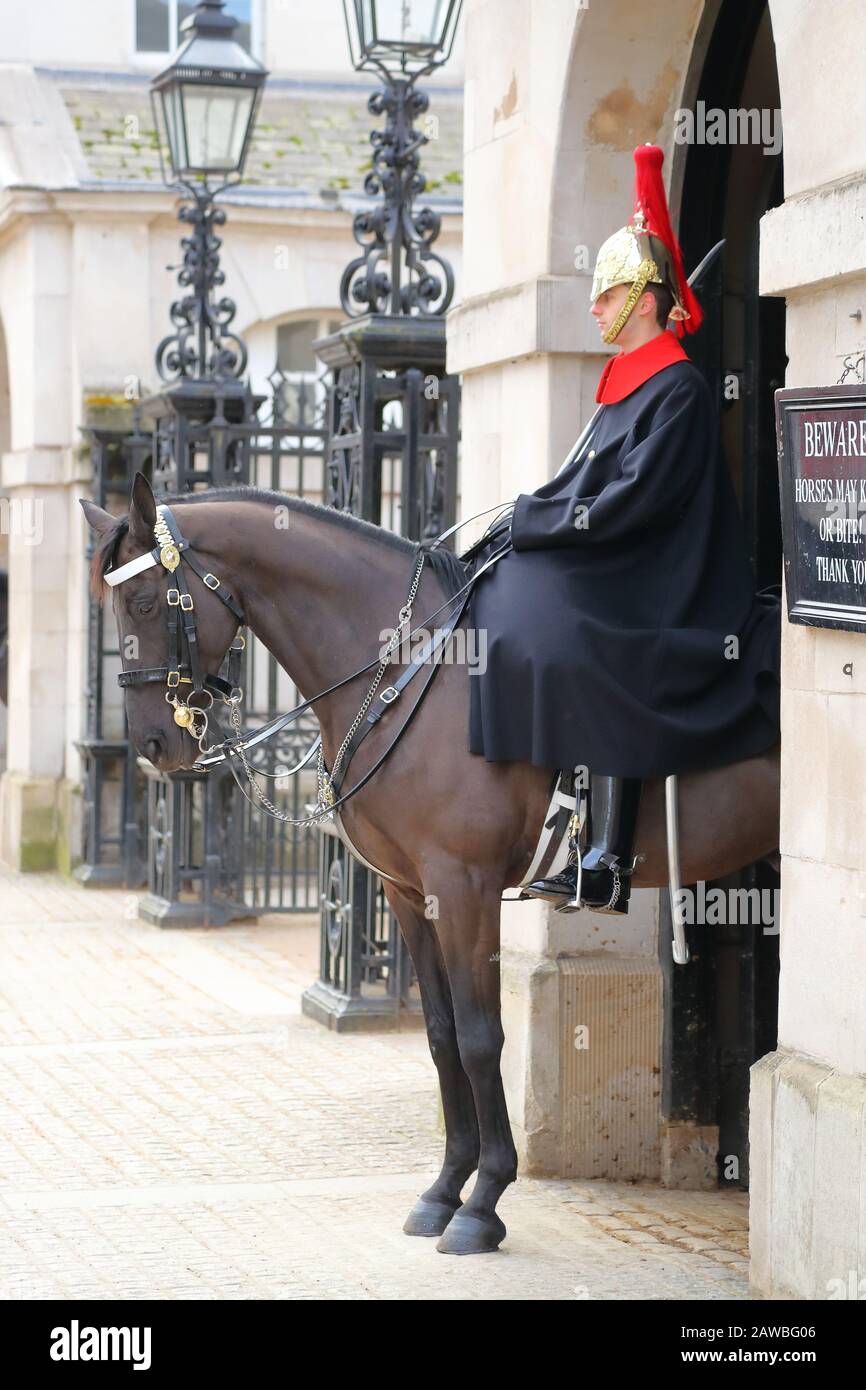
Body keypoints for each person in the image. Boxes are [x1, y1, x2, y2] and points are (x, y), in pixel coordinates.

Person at [465, 143, 781, 914]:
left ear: (643, 301)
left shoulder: (679, 389)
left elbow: (636, 499)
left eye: (606, 296)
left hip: (670, 578)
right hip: (627, 556)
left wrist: (541, 521)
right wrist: (522, 519)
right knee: (522, 597)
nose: (595, 309)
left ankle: (604, 858)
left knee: (583, 636)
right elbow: (583, 484)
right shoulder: (626, 386)